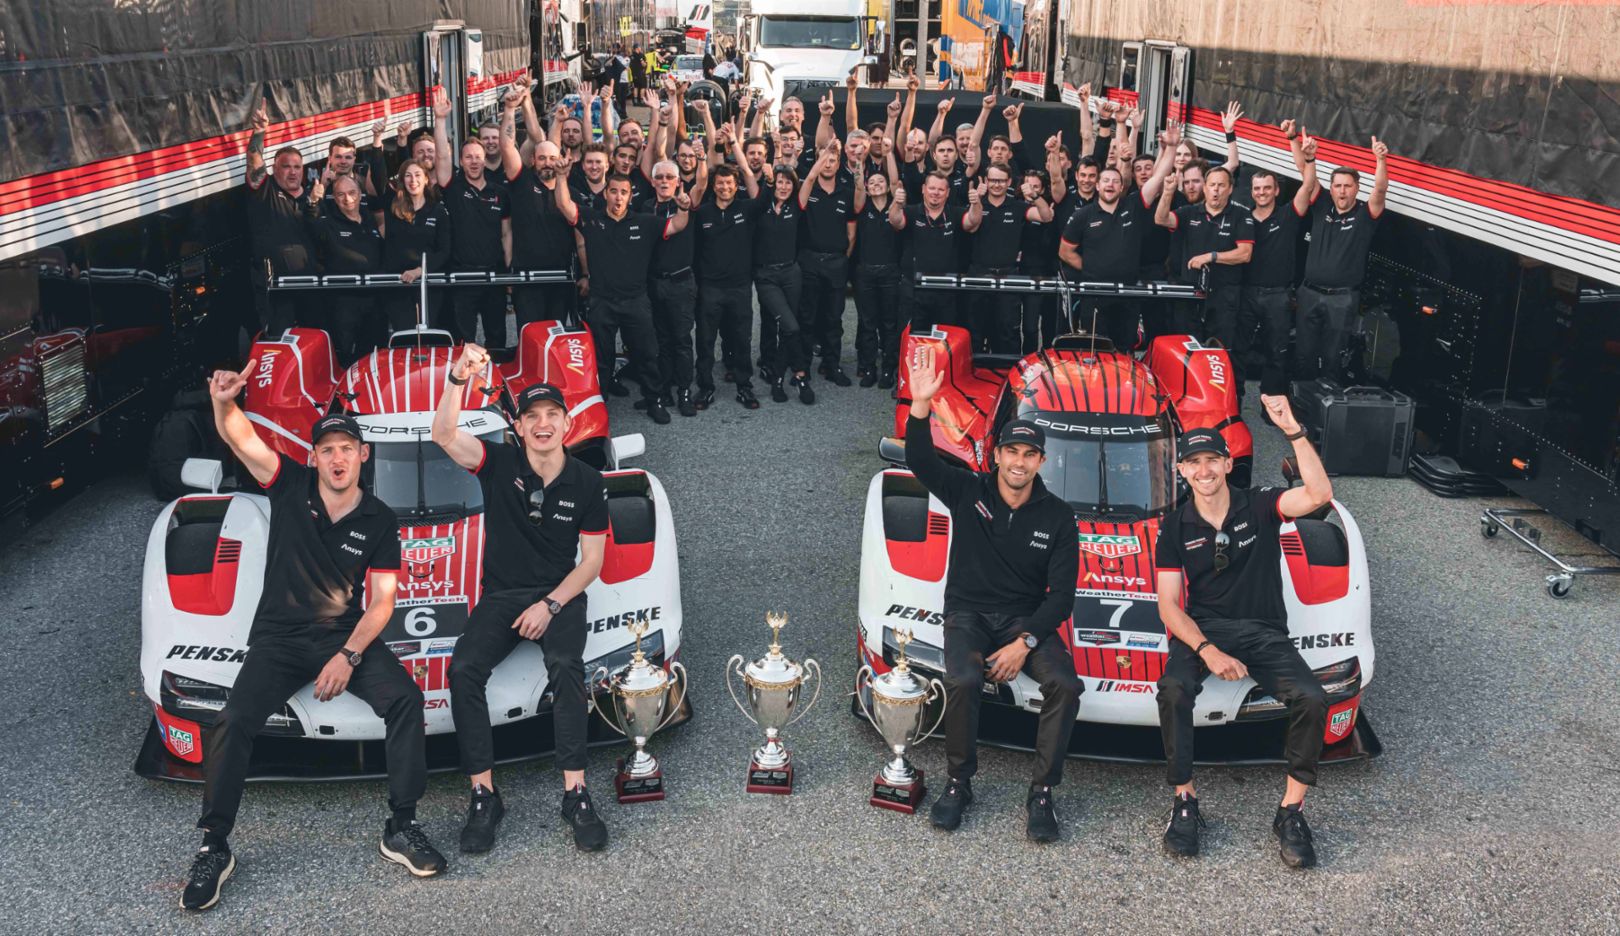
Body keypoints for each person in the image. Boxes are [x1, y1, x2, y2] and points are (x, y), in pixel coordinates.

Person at [182, 372, 444, 911]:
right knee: (233, 719)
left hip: (342, 635)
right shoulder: (289, 484)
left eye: (347, 449)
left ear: (363, 455)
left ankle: (402, 826)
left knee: (406, 700)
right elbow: (241, 438)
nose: (337, 458)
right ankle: (214, 846)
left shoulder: (379, 518)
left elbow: (383, 603)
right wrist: (223, 402)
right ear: (315, 457)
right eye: (327, 450)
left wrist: (348, 656)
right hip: (279, 638)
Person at [902, 344, 1082, 841]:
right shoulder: (968, 490)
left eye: (1029, 454)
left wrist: (1024, 642)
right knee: (962, 678)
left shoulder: (1058, 516)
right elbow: (919, 459)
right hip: (968, 614)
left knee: (1065, 685)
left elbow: (1061, 597)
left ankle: (1042, 792)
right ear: (997, 454)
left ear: (1041, 460)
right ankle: (959, 782)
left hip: (1025, 619)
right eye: (1011, 452)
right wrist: (921, 404)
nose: (1019, 462)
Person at [433, 360, 611, 854]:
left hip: (560, 593)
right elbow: (443, 434)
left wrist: (550, 605)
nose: (542, 424)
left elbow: (592, 562)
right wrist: (457, 379)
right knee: (463, 669)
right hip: (503, 595)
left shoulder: (588, 481)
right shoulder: (498, 462)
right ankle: (484, 795)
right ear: (518, 425)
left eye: (552, 414)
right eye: (532, 416)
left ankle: (575, 793)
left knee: (566, 664)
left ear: (567, 423)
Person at [1154, 402, 1334, 868]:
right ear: (1181, 470)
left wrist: (1293, 430)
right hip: (1206, 629)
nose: (1204, 470)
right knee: (1173, 688)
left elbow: (1318, 494)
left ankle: (1291, 811)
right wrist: (1207, 650)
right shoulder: (1173, 526)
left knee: (1312, 697)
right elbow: (1169, 605)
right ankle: (1185, 801)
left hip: (1262, 628)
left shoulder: (1259, 503)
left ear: (1228, 463)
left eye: (1212, 460)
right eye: (1194, 462)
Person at [557, 172, 689, 424]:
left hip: (636, 301)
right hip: (601, 302)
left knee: (647, 354)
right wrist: (562, 177)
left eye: (624, 193)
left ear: (630, 197)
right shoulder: (591, 219)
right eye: (614, 191)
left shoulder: (645, 222)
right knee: (601, 358)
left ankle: (654, 400)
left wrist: (683, 208)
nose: (618, 197)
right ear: (606, 193)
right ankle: (598, 404)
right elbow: (564, 204)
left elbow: (677, 225)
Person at [1293, 127, 1389, 383]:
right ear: (1332, 188)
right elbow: (1305, 173)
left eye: (1348, 186)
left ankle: (1327, 402)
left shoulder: (1365, 214)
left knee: (1333, 357)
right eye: (1337, 186)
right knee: (1303, 353)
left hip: (1342, 299)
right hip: (1309, 293)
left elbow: (1380, 190)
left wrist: (1381, 160)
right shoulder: (1322, 204)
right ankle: (1301, 399)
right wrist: (1300, 147)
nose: (1342, 191)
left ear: (1357, 188)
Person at [1058, 148, 1173, 351]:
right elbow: (1065, 252)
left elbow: (1158, 178)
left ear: (1121, 187)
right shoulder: (1082, 216)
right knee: (1095, 352)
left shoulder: (1133, 206)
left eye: (1115, 181)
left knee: (1124, 351)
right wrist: (1092, 268)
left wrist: (1171, 147)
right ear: (1098, 186)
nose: (1110, 184)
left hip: (1128, 295)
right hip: (1094, 295)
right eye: (1105, 181)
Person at [434, 90, 513, 347]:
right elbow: (441, 156)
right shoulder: (453, 188)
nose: (474, 161)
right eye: (468, 157)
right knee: (463, 342)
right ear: (461, 161)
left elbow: (506, 234)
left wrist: (508, 272)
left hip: (494, 276)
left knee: (497, 339)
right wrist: (440, 119)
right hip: (462, 277)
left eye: (478, 157)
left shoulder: (499, 192)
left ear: (485, 159)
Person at [1155, 164, 1254, 360]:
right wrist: (1167, 192)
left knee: (1219, 352)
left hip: (1224, 295)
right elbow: (1161, 219)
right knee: (1186, 350)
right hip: (1190, 293)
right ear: (1205, 188)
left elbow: (1245, 254)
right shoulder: (1189, 212)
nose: (1216, 190)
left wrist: (1211, 256)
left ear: (1230, 189)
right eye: (1212, 185)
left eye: (1221, 185)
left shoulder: (1241, 215)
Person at [500, 90, 579, 330]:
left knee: (556, 337)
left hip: (561, 278)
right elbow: (507, 146)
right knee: (530, 337)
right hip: (527, 279)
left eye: (552, 158)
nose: (547, 163)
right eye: (541, 158)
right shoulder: (521, 182)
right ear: (533, 160)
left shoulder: (569, 189)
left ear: (560, 159)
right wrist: (510, 109)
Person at [242, 101, 316, 334]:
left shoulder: (313, 197)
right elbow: (254, 162)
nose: (293, 171)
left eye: (297, 167)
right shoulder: (266, 192)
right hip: (275, 291)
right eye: (286, 167)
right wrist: (259, 132)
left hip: (312, 289)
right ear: (274, 169)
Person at [962, 165, 1053, 353]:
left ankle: (1006, 371)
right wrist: (976, 202)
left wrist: (1035, 196)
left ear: (1009, 182)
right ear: (986, 181)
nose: (997, 185)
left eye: (1001, 180)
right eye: (993, 180)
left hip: (1009, 276)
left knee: (1007, 334)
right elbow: (969, 226)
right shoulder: (977, 205)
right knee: (976, 332)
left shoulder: (1018, 206)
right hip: (979, 275)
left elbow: (1046, 217)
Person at [694, 164, 763, 409]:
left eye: (729, 183)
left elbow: (763, 198)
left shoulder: (747, 209)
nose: (724, 187)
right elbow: (695, 249)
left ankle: (744, 386)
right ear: (714, 186)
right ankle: (705, 387)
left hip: (739, 287)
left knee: (741, 339)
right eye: (720, 183)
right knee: (705, 340)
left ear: (736, 185)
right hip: (709, 288)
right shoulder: (702, 213)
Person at [641, 158, 704, 417]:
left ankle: (684, 392)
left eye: (670, 177)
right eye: (660, 177)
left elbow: (702, 184)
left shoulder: (686, 202)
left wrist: (701, 159)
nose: (664, 181)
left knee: (681, 340)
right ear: (652, 181)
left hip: (681, 283)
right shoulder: (645, 206)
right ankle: (664, 389)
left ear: (678, 181)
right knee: (661, 340)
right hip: (654, 283)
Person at [1241, 158, 1308, 396]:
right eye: (1257, 188)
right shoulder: (1243, 219)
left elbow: (1308, 185)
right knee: (1238, 351)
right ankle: (1233, 404)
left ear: (1276, 190)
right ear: (1252, 192)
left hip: (1278, 296)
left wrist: (1308, 158)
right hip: (1247, 293)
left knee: (1276, 355)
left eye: (1267, 188)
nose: (1262, 192)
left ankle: (1270, 408)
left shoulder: (1288, 215)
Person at [751, 165, 816, 404]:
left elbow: (811, 177)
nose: (784, 186)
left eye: (788, 182)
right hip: (766, 277)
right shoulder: (761, 205)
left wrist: (828, 152)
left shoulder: (796, 206)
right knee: (792, 326)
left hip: (791, 274)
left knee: (789, 328)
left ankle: (778, 378)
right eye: (780, 181)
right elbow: (748, 175)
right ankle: (800, 374)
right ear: (773, 183)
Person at [304, 172, 384, 364]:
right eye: (340, 194)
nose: (347, 199)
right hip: (343, 303)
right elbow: (311, 223)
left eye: (352, 192)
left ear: (360, 194)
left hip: (374, 300)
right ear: (334, 198)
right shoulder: (328, 223)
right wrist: (313, 202)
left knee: (375, 355)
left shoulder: (369, 220)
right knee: (344, 356)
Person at [797, 141, 857, 386]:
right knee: (807, 317)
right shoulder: (807, 188)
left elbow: (851, 234)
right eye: (823, 160)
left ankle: (832, 366)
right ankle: (802, 367)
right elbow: (808, 181)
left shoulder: (846, 193)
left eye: (832, 160)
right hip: (809, 261)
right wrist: (822, 155)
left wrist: (841, 258)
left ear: (838, 164)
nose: (828, 164)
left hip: (836, 263)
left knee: (833, 319)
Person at [378, 160, 452, 333]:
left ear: (426, 179)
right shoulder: (393, 208)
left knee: (428, 337)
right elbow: (378, 176)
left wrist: (420, 270)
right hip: (399, 286)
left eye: (418, 175)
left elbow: (444, 251)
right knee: (404, 336)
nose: (413, 180)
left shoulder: (438, 211)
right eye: (408, 176)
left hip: (429, 286)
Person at [890, 171, 964, 331]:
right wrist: (897, 202)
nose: (936, 193)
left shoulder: (955, 213)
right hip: (914, 289)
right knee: (911, 336)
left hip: (946, 289)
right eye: (932, 188)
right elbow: (895, 221)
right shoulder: (910, 211)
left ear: (947, 193)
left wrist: (976, 203)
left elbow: (972, 222)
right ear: (923, 189)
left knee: (944, 336)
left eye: (941, 189)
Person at [851, 163, 902, 388]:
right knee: (868, 322)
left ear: (888, 187)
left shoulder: (895, 207)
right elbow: (858, 188)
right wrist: (860, 168)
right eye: (872, 182)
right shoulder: (863, 207)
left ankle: (889, 369)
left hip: (890, 272)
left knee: (889, 323)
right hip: (866, 273)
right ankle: (869, 367)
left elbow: (895, 181)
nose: (876, 184)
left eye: (880, 181)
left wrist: (889, 154)